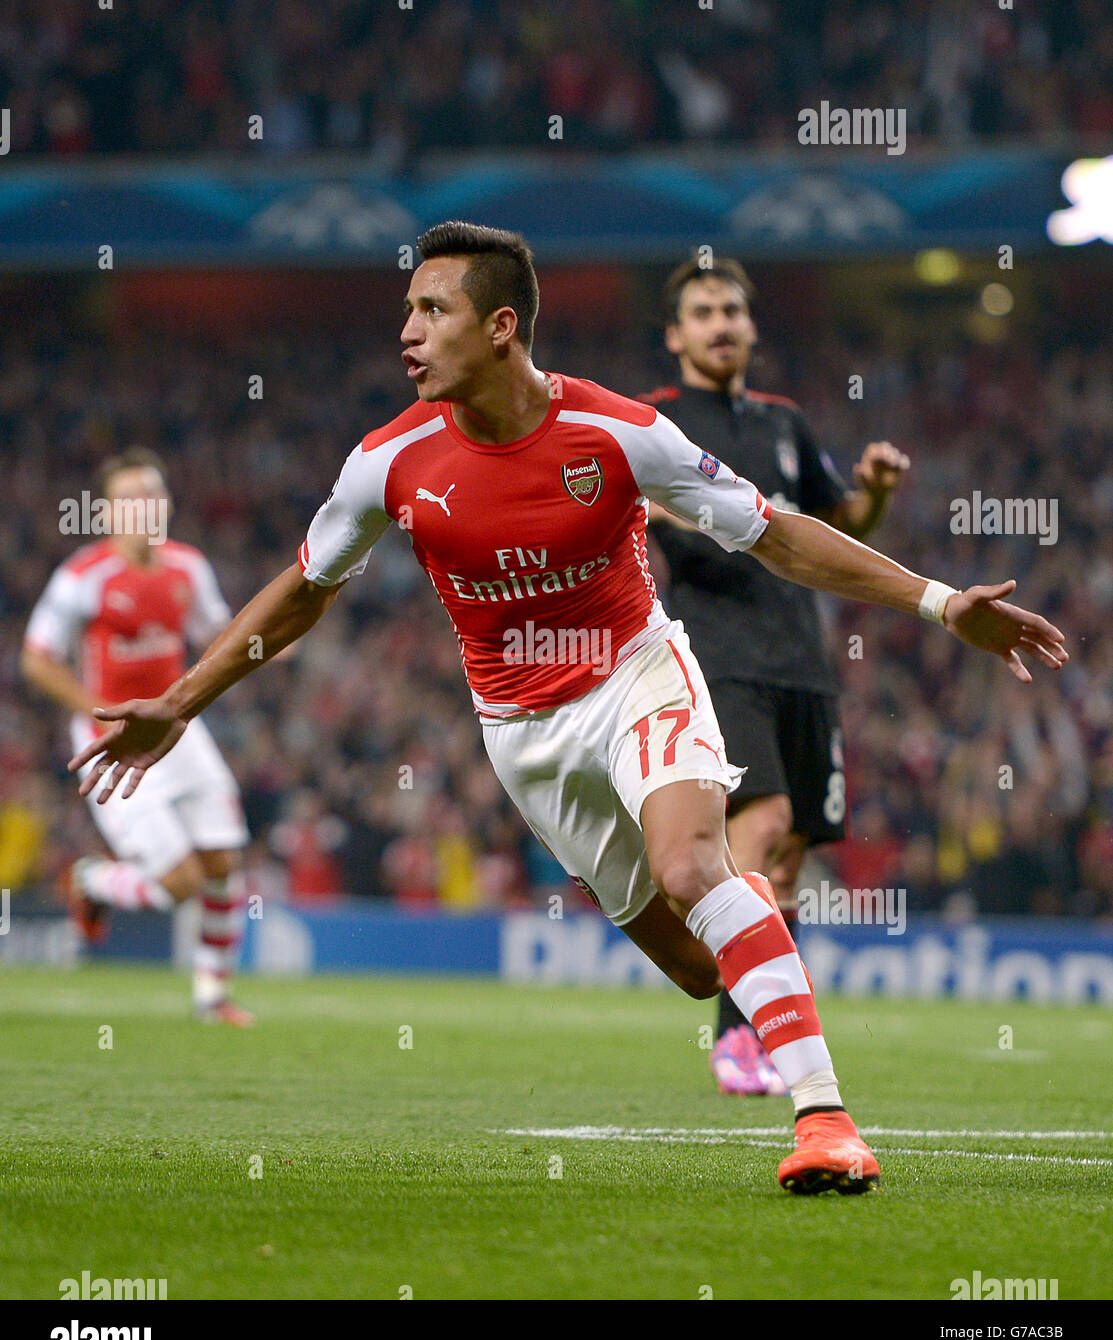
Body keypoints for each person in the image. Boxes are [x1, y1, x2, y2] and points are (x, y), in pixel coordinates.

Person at [67, 223, 1068, 1194]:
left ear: (500, 326)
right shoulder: (388, 461)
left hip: (638, 672)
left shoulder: (618, 431)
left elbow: (776, 534)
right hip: (524, 736)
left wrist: (941, 603)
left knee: (694, 865)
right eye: (405, 311)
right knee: (690, 965)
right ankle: (754, 951)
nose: (406, 332)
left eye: (431, 309)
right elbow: (303, 588)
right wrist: (183, 702)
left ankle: (825, 1119)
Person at [642, 255, 909, 1096]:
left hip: (802, 663)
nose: (720, 323)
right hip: (718, 660)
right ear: (675, 333)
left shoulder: (786, 425)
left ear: (751, 327)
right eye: (703, 311)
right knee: (758, 830)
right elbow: (624, 506)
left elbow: (839, 526)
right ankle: (734, 1040)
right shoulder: (654, 424)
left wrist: (872, 495)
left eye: (731, 309)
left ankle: (757, 1031)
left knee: (787, 857)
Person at [22, 448, 254, 1025]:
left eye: (152, 495)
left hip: (178, 730)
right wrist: (97, 714)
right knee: (179, 883)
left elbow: (219, 637)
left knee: (224, 861)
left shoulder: (189, 568)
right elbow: (36, 659)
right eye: (129, 500)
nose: (144, 508)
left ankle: (212, 996)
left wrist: (273, 637)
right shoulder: (83, 577)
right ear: (105, 514)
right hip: (116, 743)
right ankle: (90, 879)